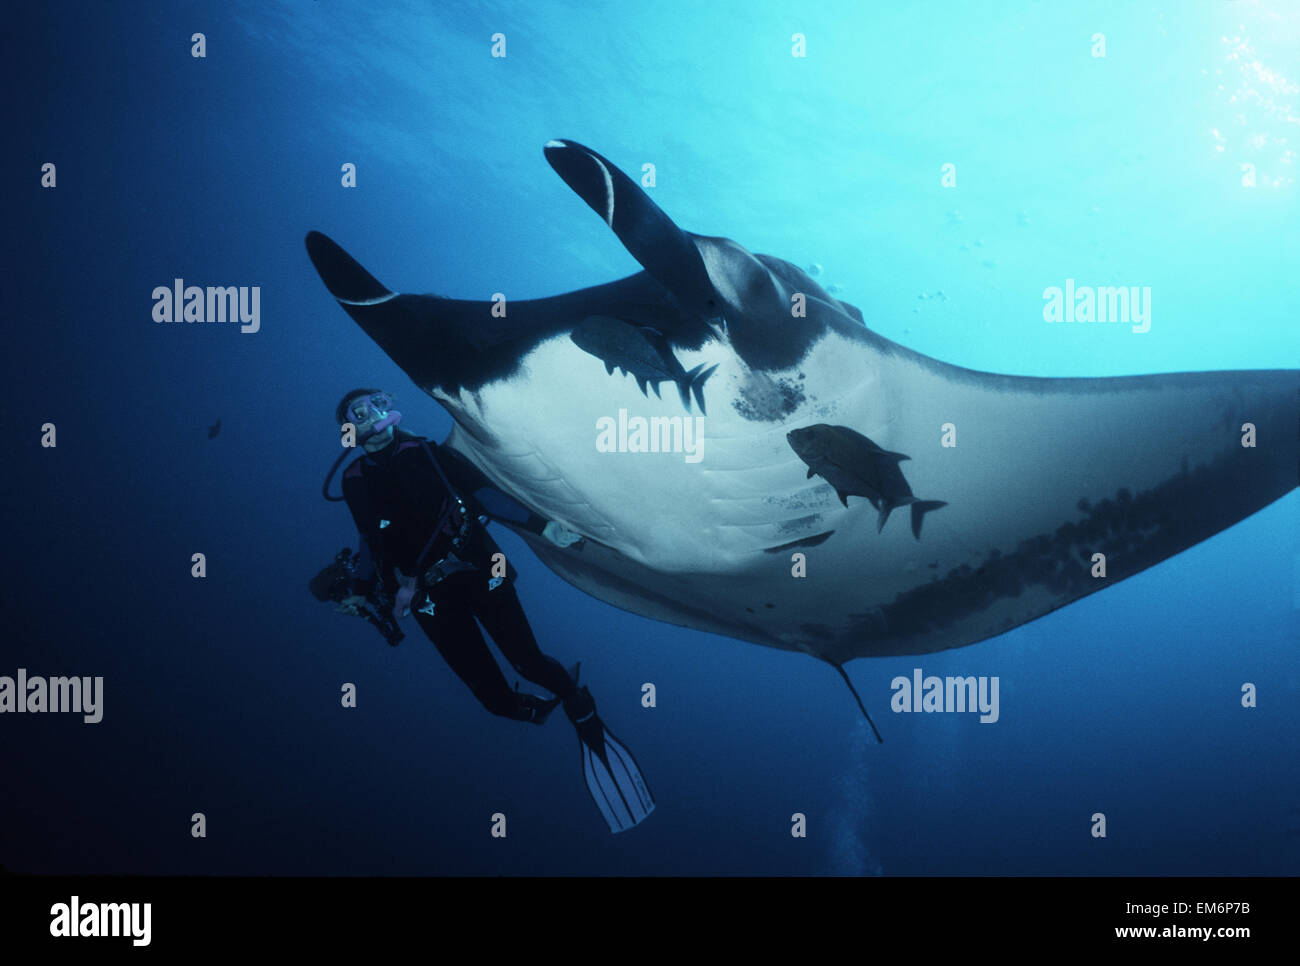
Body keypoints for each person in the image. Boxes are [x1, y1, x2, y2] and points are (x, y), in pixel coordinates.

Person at [324, 388, 655, 832]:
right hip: (424, 598)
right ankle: (538, 711)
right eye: (359, 412)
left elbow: (484, 496)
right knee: (493, 701)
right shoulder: (354, 480)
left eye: (380, 404)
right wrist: (363, 589)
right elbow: (369, 539)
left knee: (529, 660)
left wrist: (545, 527)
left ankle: (583, 714)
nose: (373, 415)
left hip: (483, 570)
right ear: (348, 427)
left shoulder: (428, 453)